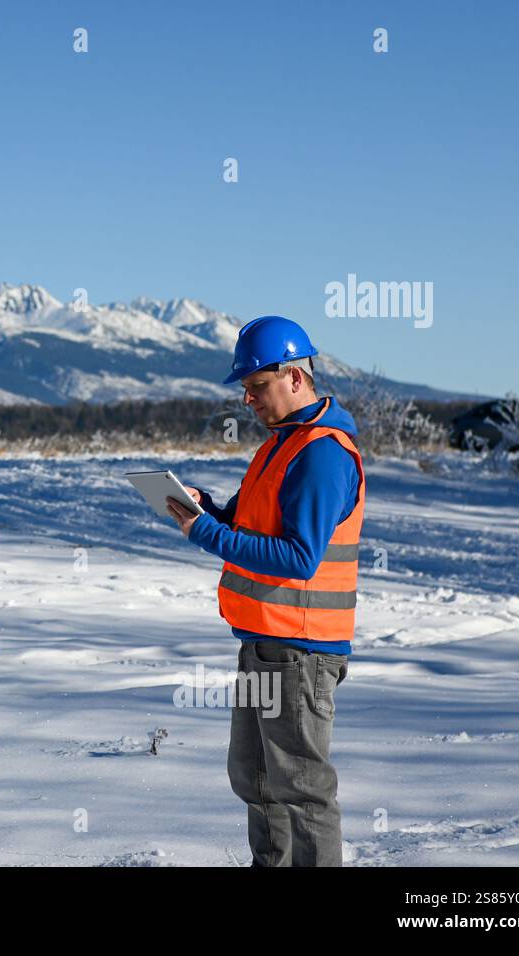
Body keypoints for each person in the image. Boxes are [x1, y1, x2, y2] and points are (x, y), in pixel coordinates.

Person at [165, 315, 365, 867]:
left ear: (295, 377)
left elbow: (300, 558)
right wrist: (216, 511)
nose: (248, 400)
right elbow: (263, 527)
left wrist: (205, 533)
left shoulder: (321, 452)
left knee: (301, 790)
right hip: (264, 643)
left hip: (301, 651)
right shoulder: (284, 443)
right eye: (245, 389)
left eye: (256, 386)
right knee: (254, 780)